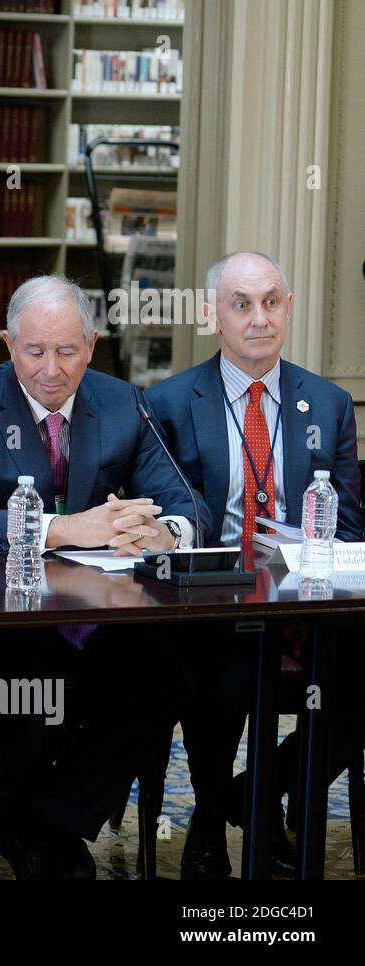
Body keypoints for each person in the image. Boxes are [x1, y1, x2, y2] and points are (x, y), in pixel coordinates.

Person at [0, 274, 207, 879]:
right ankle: (42, 826)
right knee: (27, 671)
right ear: (8, 343)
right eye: (34, 351)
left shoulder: (124, 402)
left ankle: (42, 820)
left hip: (94, 610)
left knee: (168, 668)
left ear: (92, 346)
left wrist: (165, 533)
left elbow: (185, 502)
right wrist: (69, 528)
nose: (51, 369)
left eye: (67, 351)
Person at [146, 250, 363, 878]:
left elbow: (346, 524)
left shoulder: (327, 403)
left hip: (307, 604)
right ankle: (208, 832)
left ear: (289, 309)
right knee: (223, 672)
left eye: (272, 302)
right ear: (214, 315)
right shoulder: (167, 403)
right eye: (242, 304)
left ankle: (251, 795)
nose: (259, 319)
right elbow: (167, 525)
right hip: (212, 604)